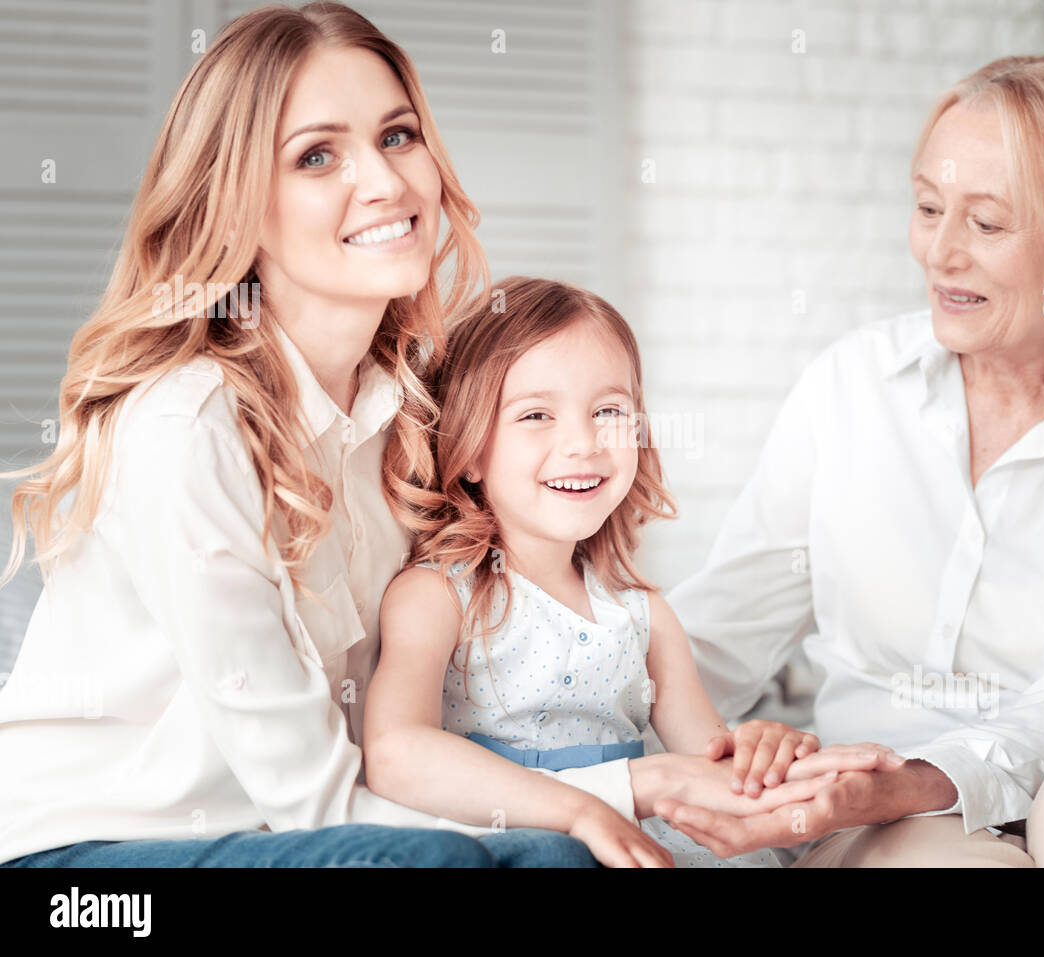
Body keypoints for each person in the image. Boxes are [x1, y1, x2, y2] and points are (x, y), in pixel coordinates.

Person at [0, 1, 597, 868]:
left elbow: (425, 723)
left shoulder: (405, 414)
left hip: (290, 832)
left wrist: (607, 804)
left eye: (398, 137)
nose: (387, 183)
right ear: (237, 202)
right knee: (438, 865)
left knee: (563, 858)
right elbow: (311, 794)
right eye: (317, 156)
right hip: (84, 857)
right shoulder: (189, 425)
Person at [652, 55, 1044, 868]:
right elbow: (712, 639)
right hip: (889, 812)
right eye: (926, 207)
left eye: (986, 224)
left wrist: (918, 777)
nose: (940, 252)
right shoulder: (851, 386)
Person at [366, 276, 863, 868]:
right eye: (536, 415)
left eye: (607, 410)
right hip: (518, 848)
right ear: (470, 450)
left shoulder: (642, 614)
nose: (582, 442)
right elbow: (396, 752)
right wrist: (581, 809)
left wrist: (763, 752)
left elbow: (710, 768)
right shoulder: (436, 596)